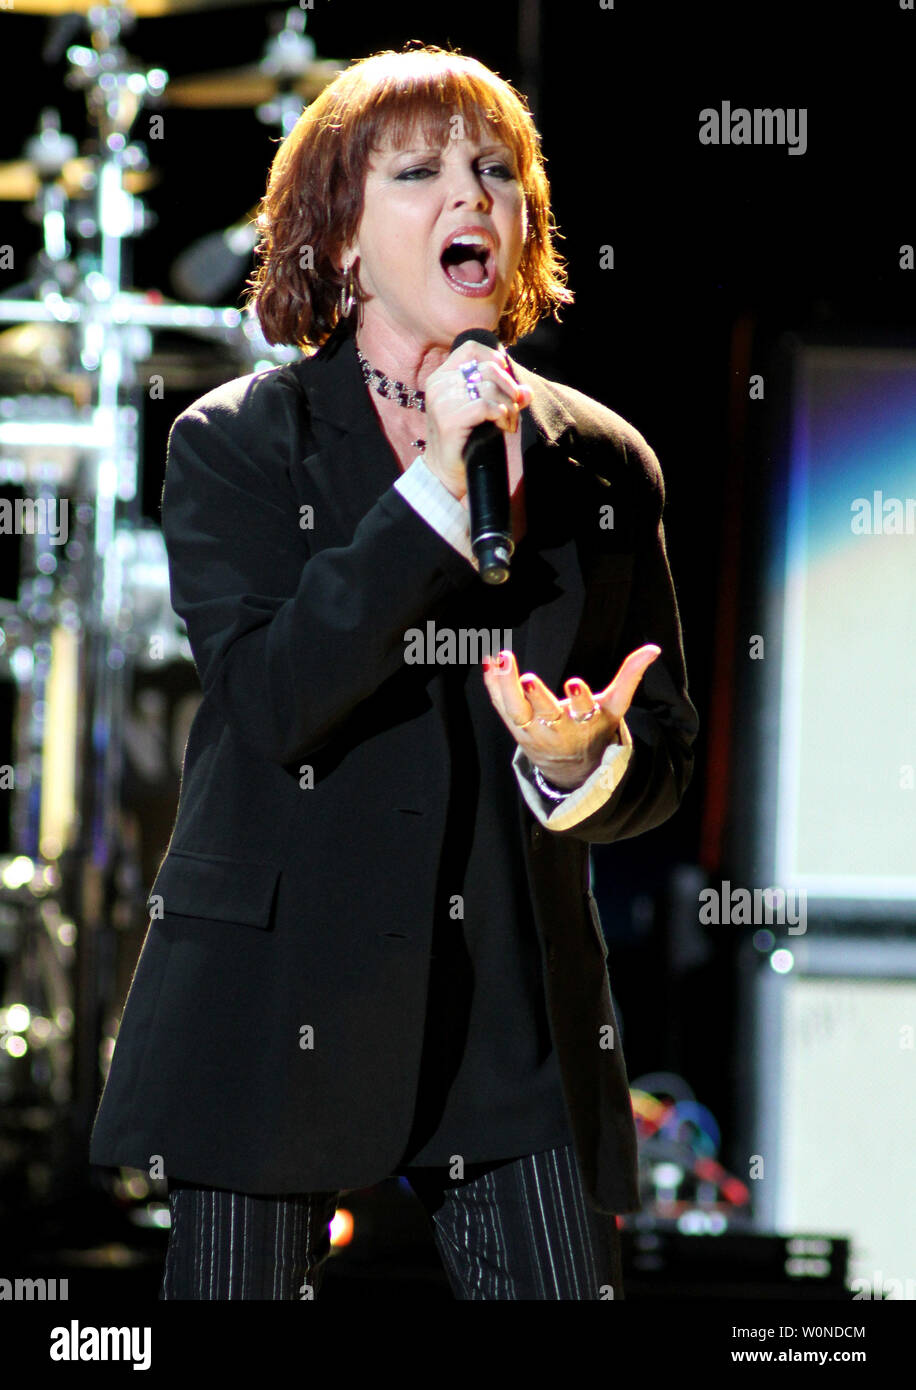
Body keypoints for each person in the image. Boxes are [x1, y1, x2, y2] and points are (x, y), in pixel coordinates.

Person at [89, 43, 699, 1301]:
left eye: (494, 171)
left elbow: (665, 751)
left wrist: (581, 767)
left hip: (510, 1007)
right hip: (279, 985)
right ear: (343, 242)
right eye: (418, 172)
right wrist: (430, 489)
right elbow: (274, 700)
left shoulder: (602, 464)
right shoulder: (241, 444)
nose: (468, 196)